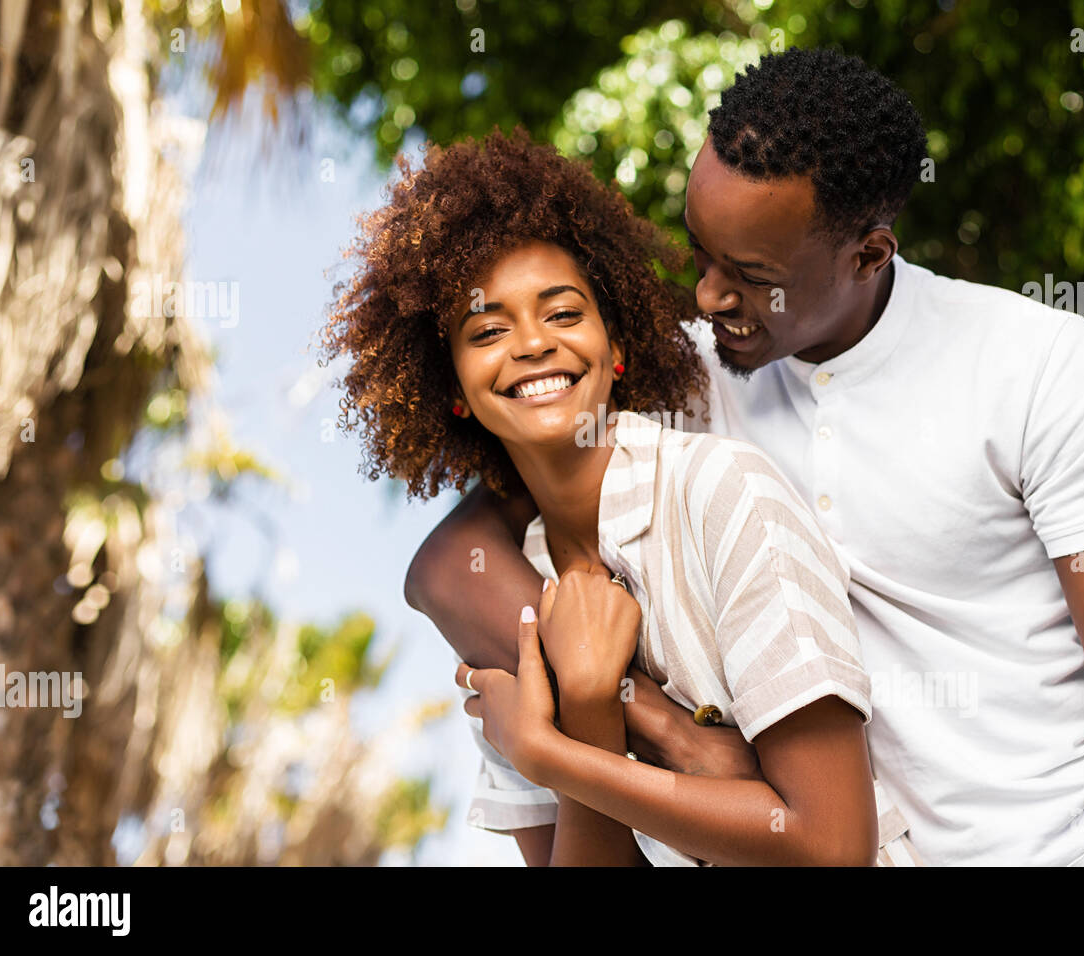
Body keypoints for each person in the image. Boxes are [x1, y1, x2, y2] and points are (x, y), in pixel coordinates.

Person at [406, 49, 1084, 866]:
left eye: (749, 275)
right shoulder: (682, 378)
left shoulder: (1035, 366)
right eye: (698, 252)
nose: (706, 297)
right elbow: (452, 564)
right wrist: (662, 727)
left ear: (868, 255)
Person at [321, 127, 921, 866]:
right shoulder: (502, 617)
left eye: (564, 313)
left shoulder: (724, 494)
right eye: (487, 329)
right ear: (454, 393)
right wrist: (592, 709)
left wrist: (551, 752)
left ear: (619, 346)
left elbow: (832, 848)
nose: (532, 343)